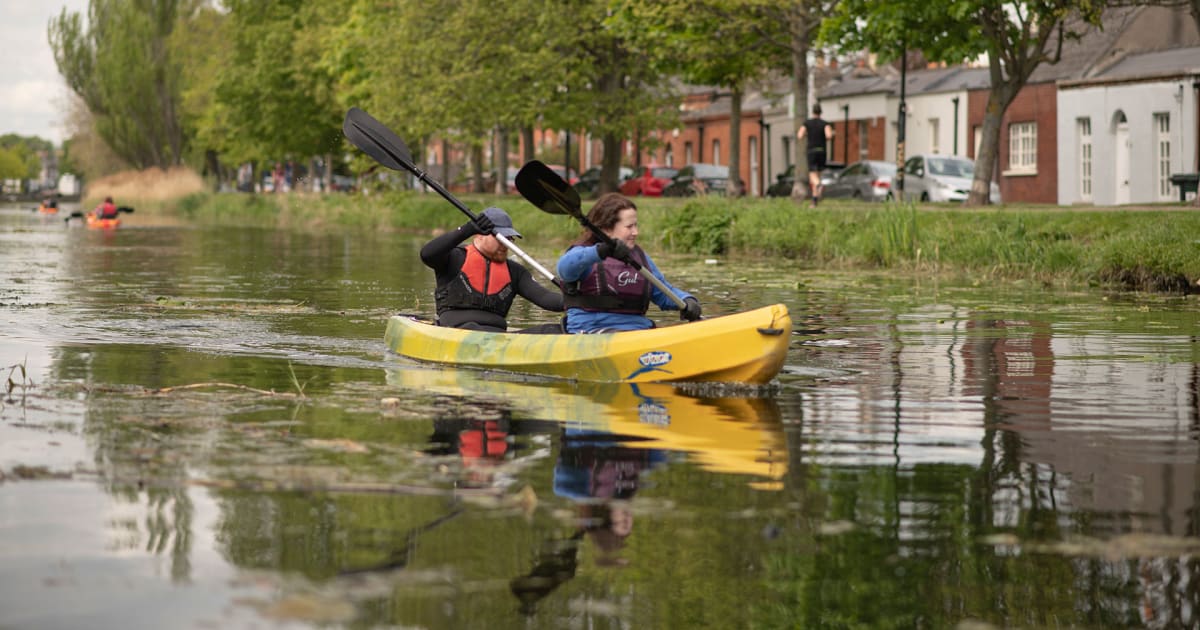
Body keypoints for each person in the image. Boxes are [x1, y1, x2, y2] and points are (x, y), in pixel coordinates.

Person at [555, 193, 700, 333]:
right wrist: (600, 251)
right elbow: (564, 269)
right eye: (629, 227)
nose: (636, 232)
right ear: (606, 229)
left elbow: (662, 292)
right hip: (592, 330)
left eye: (636, 225)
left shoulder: (639, 256)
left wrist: (686, 299)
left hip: (637, 330)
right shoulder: (584, 253)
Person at [420, 206, 563, 332]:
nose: (505, 244)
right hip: (456, 331)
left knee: (554, 330)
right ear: (479, 235)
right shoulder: (454, 258)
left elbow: (545, 298)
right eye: (500, 237)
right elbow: (427, 254)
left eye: (509, 239)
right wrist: (466, 230)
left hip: (496, 338)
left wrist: (576, 300)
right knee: (472, 328)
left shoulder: (515, 272)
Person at [797, 103, 834, 207]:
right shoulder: (825, 124)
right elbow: (829, 136)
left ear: (812, 112)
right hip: (822, 150)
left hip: (812, 151)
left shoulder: (807, 123)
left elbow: (799, 135)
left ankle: (819, 185)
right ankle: (814, 202)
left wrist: (807, 134)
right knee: (818, 175)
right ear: (820, 112)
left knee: (813, 176)